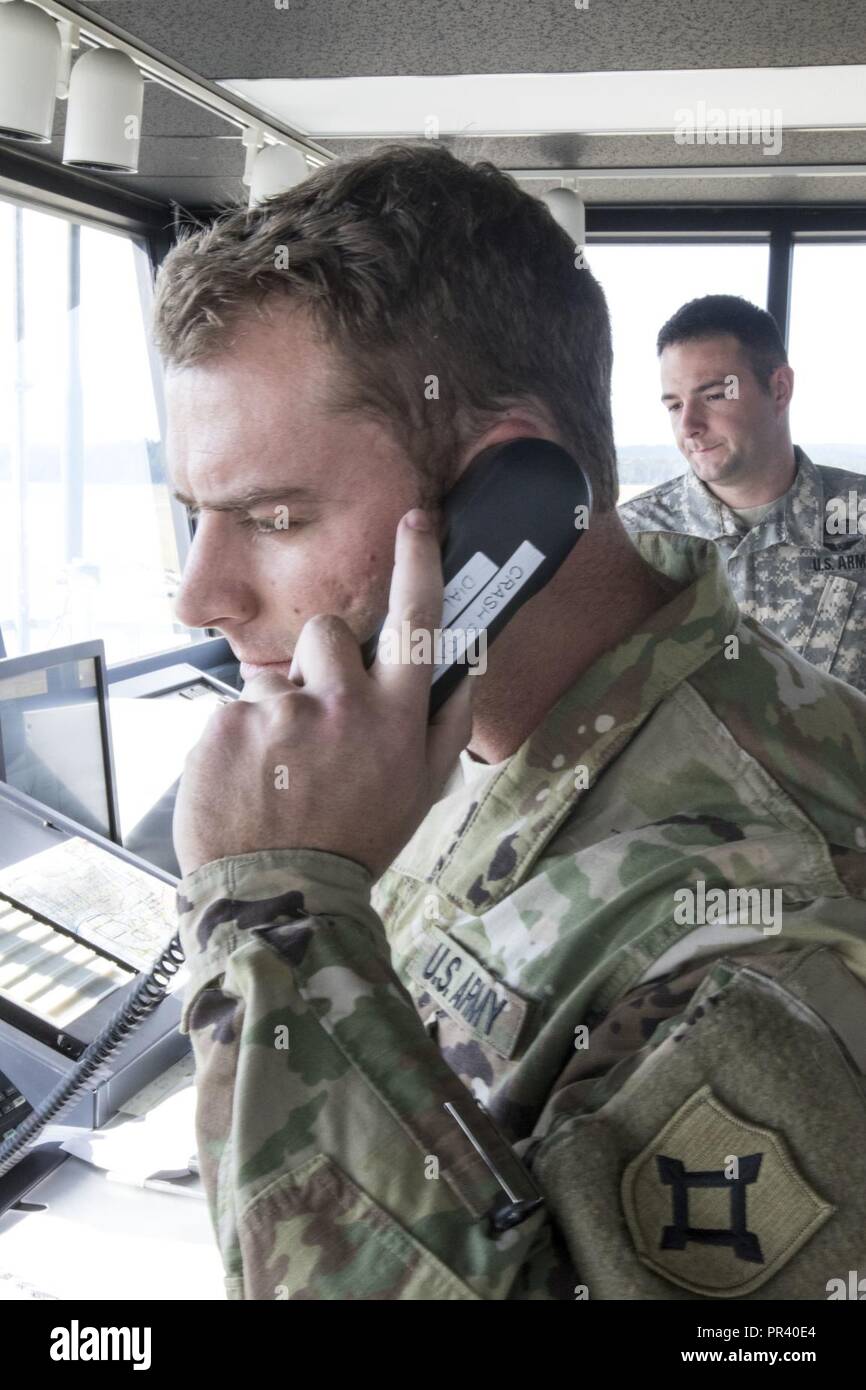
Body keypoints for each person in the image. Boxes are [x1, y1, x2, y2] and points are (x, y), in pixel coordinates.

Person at [154, 146, 866, 1300]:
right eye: (195, 516)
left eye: (272, 516)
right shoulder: (436, 739)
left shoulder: (768, 932)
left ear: (509, 505)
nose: (198, 597)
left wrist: (272, 915)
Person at [619, 295, 866, 693]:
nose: (689, 425)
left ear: (780, 390)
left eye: (714, 395)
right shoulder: (633, 540)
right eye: (674, 405)